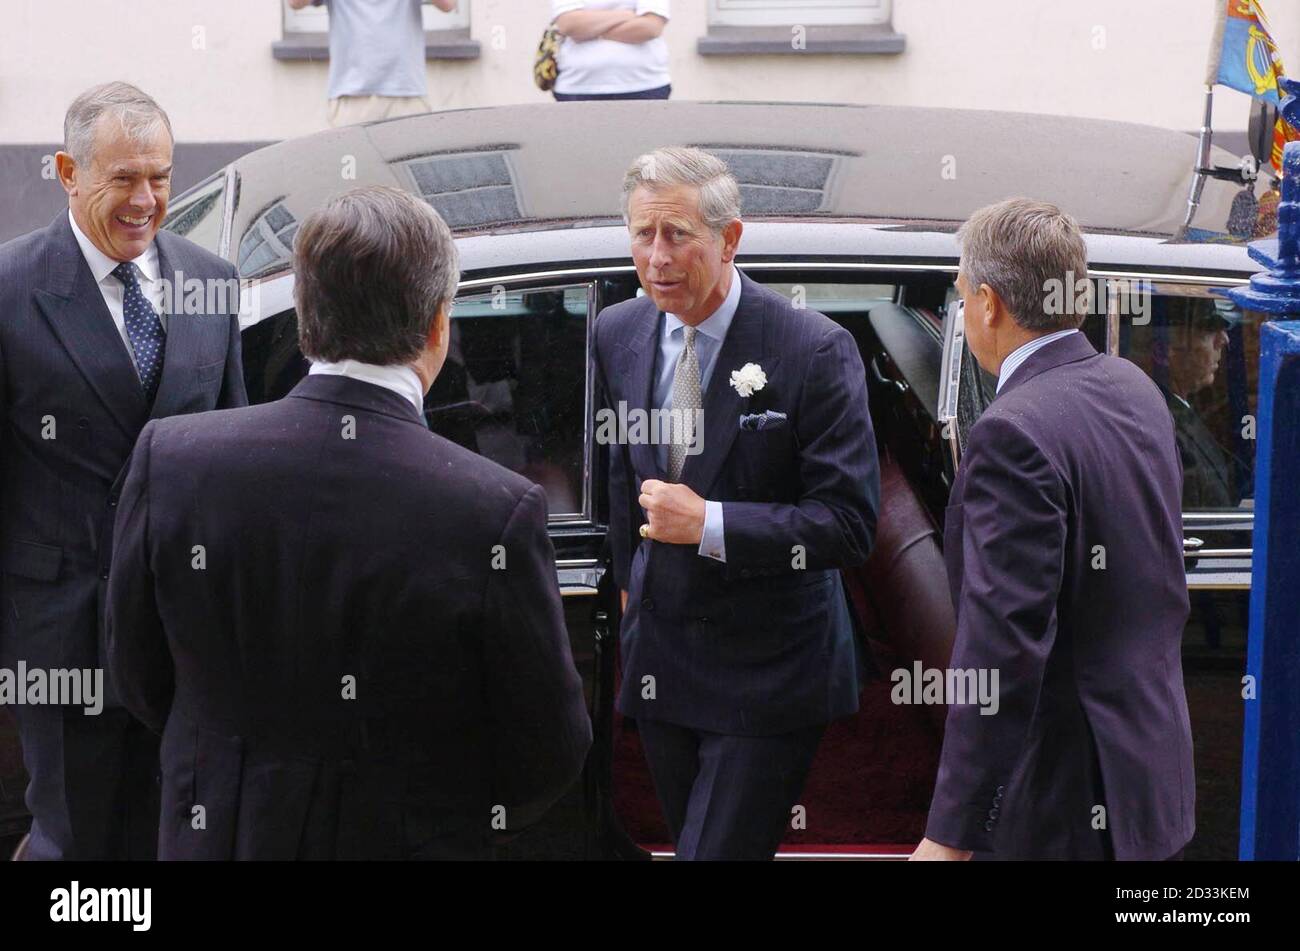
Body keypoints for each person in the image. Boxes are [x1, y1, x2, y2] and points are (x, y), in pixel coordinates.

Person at [106, 185, 591, 860]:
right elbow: (549, 748)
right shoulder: (492, 509)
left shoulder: (174, 460)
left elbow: (135, 674)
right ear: (437, 327)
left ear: (305, 314)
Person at [592, 147, 879, 860]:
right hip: (664, 662)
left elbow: (848, 524)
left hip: (770, 667)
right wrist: (633, 586)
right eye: (641, 234)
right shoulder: (617, 332)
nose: (656, 257)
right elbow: (623, 480)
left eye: (677, 235)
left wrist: (710, 524)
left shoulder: (811, 350)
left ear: (730, 239)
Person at [0, 81, 248, 860]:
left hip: (185, 636)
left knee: (179, 838)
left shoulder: (212, 281)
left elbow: (231, 462)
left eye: (162, 177)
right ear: (69, 172)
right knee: (78, 842)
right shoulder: (9, 290)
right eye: (124, 179)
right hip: (62, 641)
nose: (147, 199)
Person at [913, 199, 1194, 861]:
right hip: (1150, 780)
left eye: (959, 291)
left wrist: (949, 834)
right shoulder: (1133, 386)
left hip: (1066, 806)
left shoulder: (1012, 432)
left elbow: (1001, 651)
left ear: (987, 304)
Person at [287, 0, 456, 126]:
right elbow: (295, 2)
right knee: (352, 173)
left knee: (404, 173)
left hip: (406, 94)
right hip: (351, 97)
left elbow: (448, 4)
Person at [1153, 298, 1243, 509]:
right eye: (1208, 329)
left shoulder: (1181, 412)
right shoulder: (1163, 424)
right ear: (1163, 352)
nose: (1224, 340)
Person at [551, 1, 671, 101]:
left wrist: (590, 31)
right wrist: (628, 14)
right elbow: (570, 24)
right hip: (578, 86)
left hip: (645, 84)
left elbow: (650, 28)